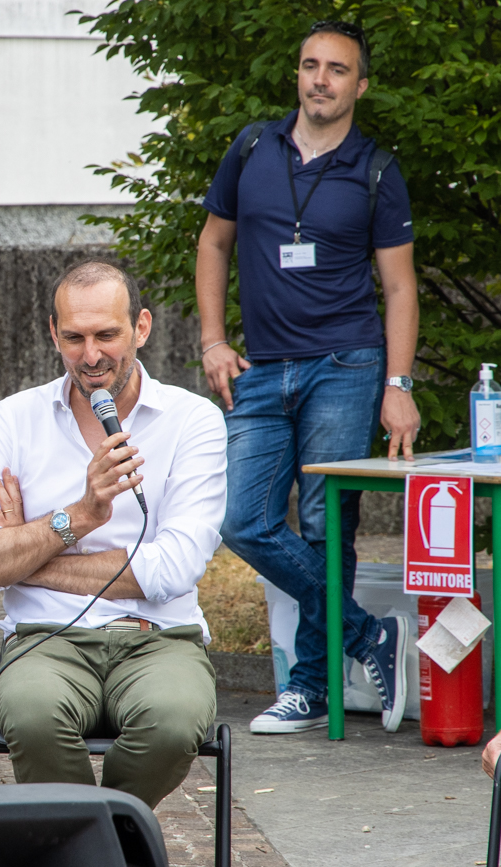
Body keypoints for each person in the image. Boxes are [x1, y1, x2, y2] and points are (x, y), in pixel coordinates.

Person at [196, 21, 420, 735]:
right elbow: (213, 241)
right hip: (259, 370)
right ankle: (366, 634)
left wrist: (399, 385)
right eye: (309, 66)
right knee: (245, 521)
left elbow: (401, 289)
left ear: (360, 84)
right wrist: (210, 340)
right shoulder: (253, 148)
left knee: (328, 524)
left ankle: (310, 685)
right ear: (297, 74)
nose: (319, 79)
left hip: (345, 366)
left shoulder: (377, 171)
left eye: (336, 69)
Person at [0, 260, 226, 809]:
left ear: (140, 327)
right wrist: (77, 518)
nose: (91, 356)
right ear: (53, 332)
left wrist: (24, 550)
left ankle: (89, 840)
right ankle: (98, 844)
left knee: (171, 724)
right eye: (74, 338)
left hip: (158, 636)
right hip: (45, 638)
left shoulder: (193, 420)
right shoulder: (15, 419)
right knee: (31, 714)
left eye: (106, 335)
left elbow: (172, 569)